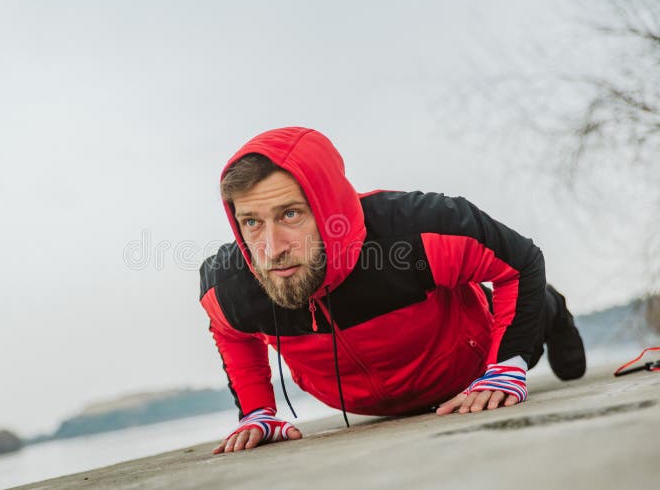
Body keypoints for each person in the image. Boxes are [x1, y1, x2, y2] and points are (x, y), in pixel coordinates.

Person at [199, 127, 586, 454]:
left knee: (528, 311)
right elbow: (228, 330)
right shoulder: (232, 283)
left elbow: (520, 262)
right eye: (251, 222)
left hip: (467, 364)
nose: (272, 248)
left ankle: (555, 309)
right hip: (357, 399)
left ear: (328, 205)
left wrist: (505, 368)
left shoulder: (412, 231)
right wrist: (257, 412)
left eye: (290, 214)